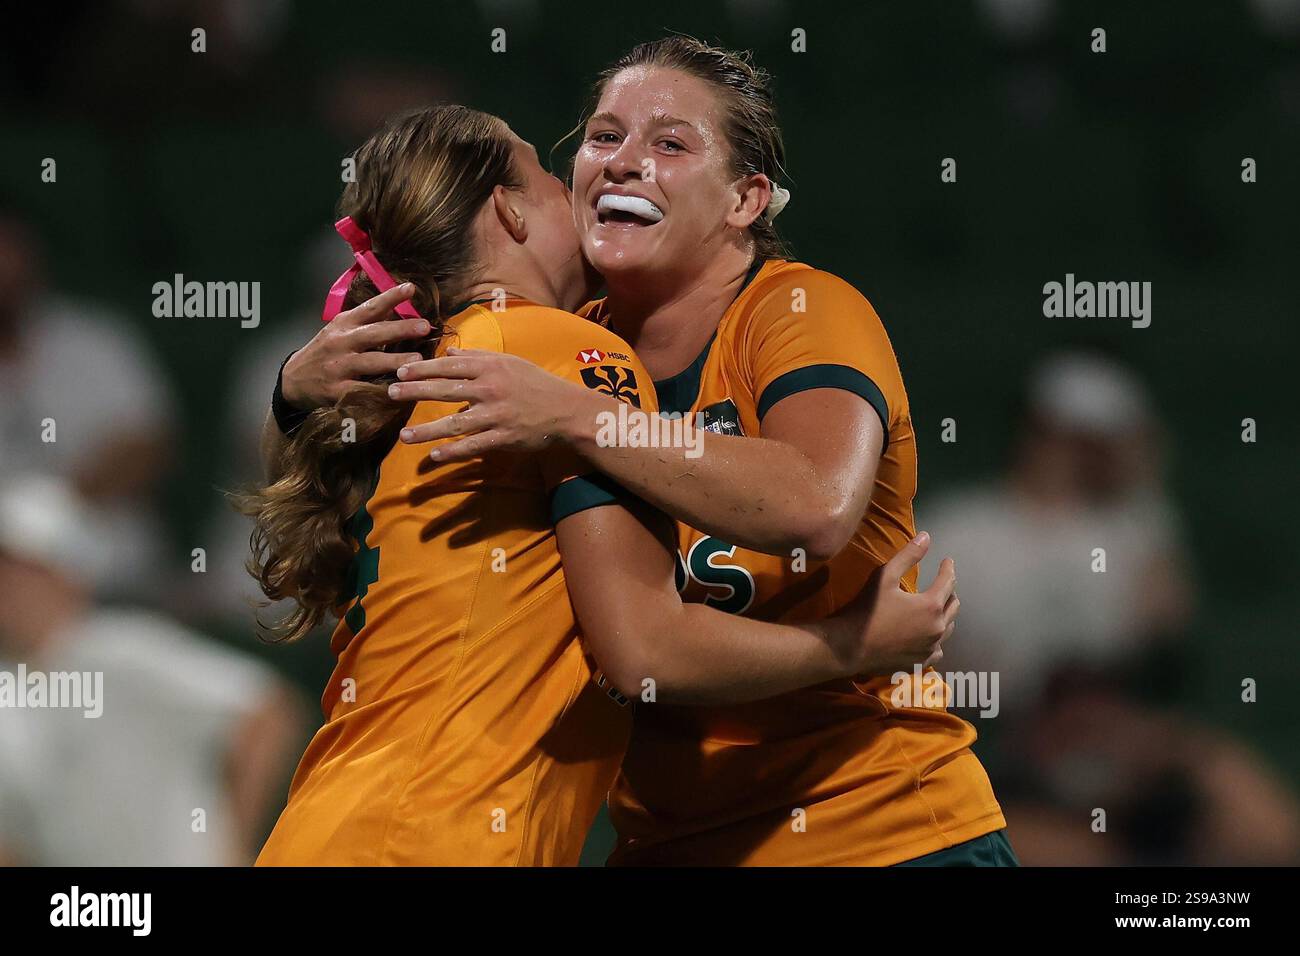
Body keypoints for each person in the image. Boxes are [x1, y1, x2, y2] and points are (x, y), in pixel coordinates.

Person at [267, 38, 1009, 867]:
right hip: (653, 842)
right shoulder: (561, 355)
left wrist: (585, 419)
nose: (622, 164)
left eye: (670, 143)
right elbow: (644, 646)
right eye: (601, 137)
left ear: (746, 200)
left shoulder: (797, 309)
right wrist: (298, 390)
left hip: (875, 831)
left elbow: (814, 506)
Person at [0, 475, 299, 866]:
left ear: (64, 575)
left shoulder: (119, 648)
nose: (9, 584)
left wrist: (232, 848)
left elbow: (269, 714)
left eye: (20, 568)